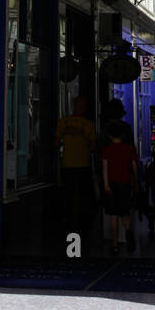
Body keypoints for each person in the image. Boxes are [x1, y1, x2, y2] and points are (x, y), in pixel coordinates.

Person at [56, 96, 96, 242]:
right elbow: (93, 147)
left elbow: (56, 141)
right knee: (77, 193)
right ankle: (75, 219)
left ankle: (73, 219)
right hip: (76, 164)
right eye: (81, 104)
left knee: (72, 193)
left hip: (74, 164)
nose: (81, 107)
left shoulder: (65, 122)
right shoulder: (86, 124)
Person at [101, 120, 139, 253]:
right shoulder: (129, 149)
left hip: (112, 185)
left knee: (113, 216)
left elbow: (105, 168)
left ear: (110, 136)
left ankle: (115, 245)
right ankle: (128, 232)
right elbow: (134, 166)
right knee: (125, 213)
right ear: (123, 135)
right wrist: (136, 182)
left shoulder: (107, 150)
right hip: (125, 185)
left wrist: (106, 185)